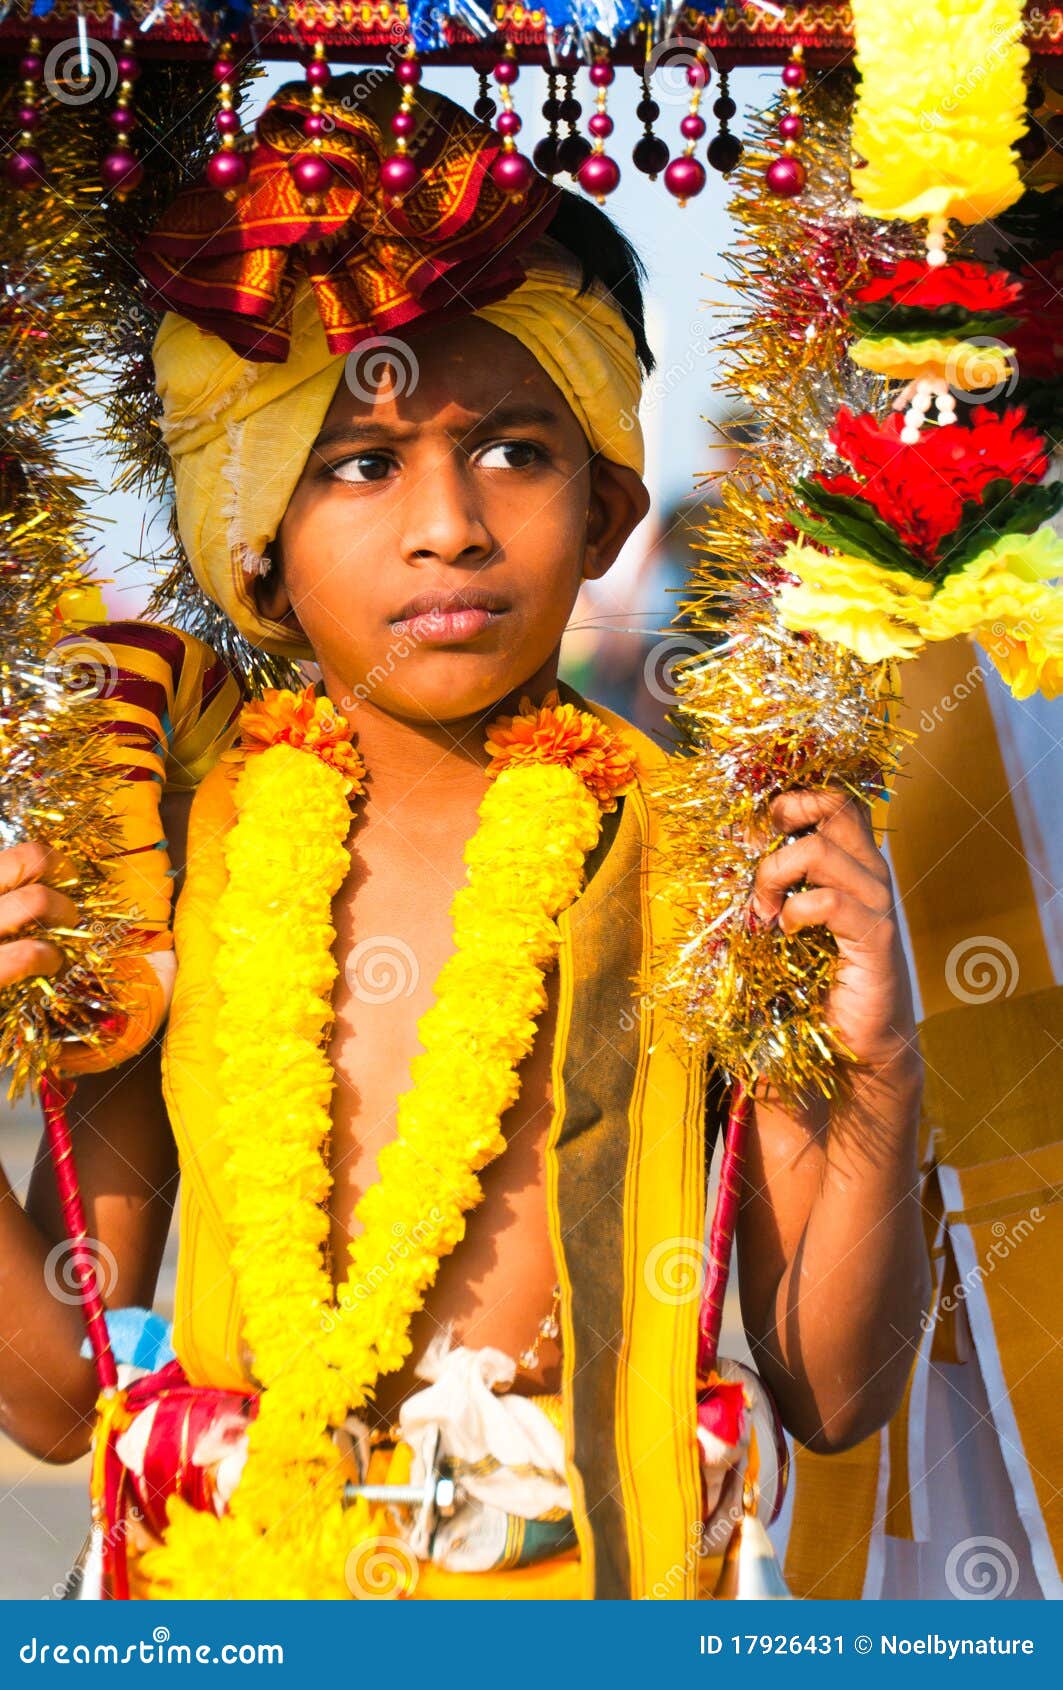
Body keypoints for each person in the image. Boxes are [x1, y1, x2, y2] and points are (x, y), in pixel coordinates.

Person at [0, 77, 929, 1600]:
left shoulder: (706, 848)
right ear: (254, 539)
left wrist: (883, 1064)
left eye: (516, 448)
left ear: (608, 495)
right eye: (360, 464)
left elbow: (832, 1393)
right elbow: (49, 1395)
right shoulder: (170, 838)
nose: (451, 522)